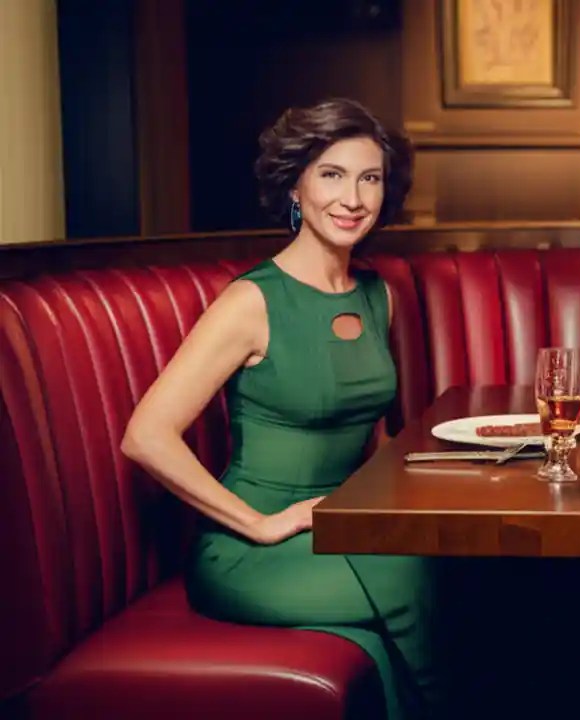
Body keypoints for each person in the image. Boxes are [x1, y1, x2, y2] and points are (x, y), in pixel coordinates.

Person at [121, 98, 441, 718]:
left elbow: (373, 437)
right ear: (295, 184)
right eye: (331, 174)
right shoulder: (251, 301)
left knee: (423, 594)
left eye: (369, 178)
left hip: (344, 529)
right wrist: (262, 524)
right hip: (252, 551)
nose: (353, 198)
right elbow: (145, 435)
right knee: (423, 574)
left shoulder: (378, 295)